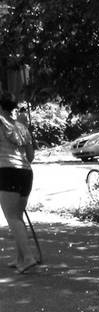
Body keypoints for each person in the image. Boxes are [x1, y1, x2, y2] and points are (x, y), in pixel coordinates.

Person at [0, 92, 36, 273]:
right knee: (18, 217)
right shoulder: (22, 127)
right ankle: (20, 257)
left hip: (7, 172)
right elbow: (30, 156)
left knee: (12, 218)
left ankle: (28, 258)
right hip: (26, 173)